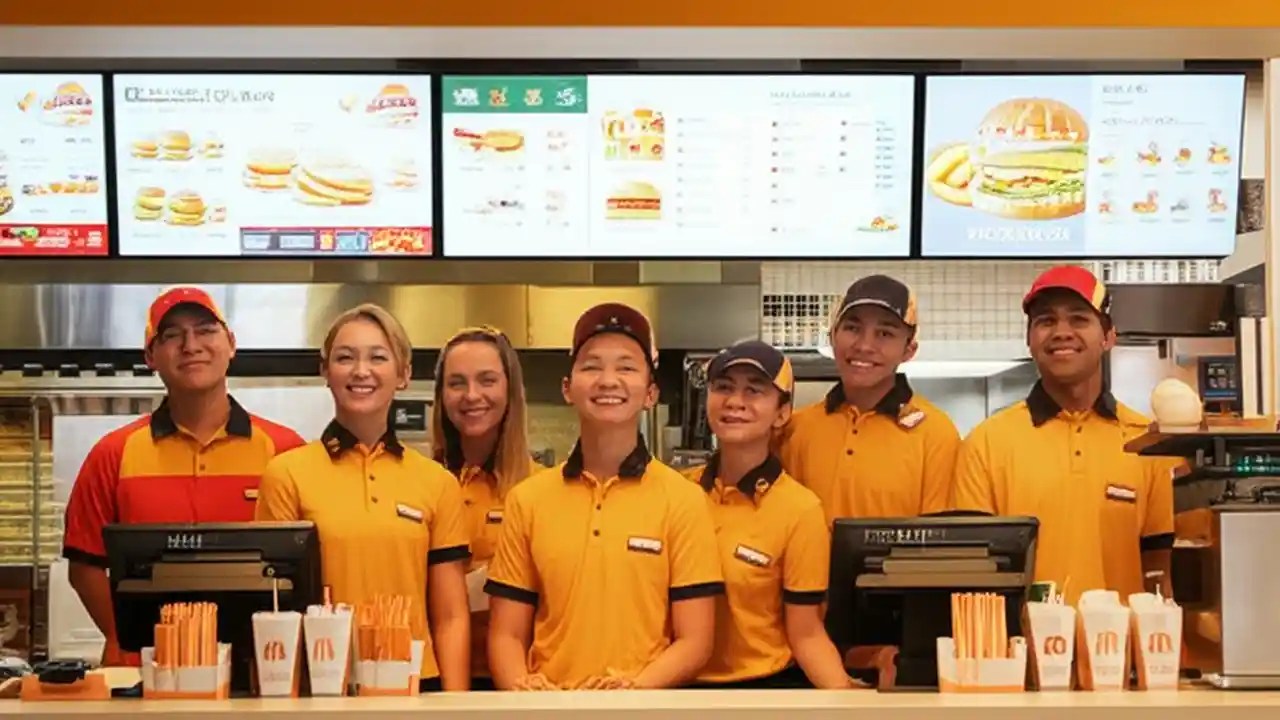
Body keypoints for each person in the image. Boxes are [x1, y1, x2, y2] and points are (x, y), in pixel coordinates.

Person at [485, 303, 723, 691]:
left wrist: (635, 689)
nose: (608, 380)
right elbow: (506, 634)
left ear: (650, 393)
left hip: (644, 711)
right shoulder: (528, 500)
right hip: (548, 711)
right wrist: (520, 686)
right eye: (592, 366)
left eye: (626, 367)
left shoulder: (683, 500)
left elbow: (696, 641)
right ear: (568, 388)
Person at [62, 286, 304, 667]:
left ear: (231, 344)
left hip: (260, 672)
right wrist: (127, 638)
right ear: (150, 357)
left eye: (206, 330)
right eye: (172, 335)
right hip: (143, 676)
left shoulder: (285, 450)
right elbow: (85, 565)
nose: (191, 345)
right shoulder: (112, 454)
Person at [255, 303, 471, 691]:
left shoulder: (436, 482)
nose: (361, 371)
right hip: (320, 687)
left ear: (404, 374)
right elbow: (274, 609)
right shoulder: (286, 474)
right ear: (325, 372)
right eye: (344, 357)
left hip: (415, 686)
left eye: (378, 357)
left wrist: (454, 707)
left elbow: (451, 615)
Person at [950, 266, 1175, 605]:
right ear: (1029, 340)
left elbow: (1159, 570)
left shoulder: (1147, 443)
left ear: (1108, 336)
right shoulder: (986, 443)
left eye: (1079, 319)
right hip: (1021, 654)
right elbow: (973, 578)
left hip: (1123, 652)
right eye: (1046, 321)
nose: (1062, 332)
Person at [685, 340, 853, 689]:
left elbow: (807, 634)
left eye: (754, 391)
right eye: (723, 387)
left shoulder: (799, 511)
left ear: (781, 412)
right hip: (675, 689)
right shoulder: (675, 493)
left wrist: (846, 702)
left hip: (765, 691)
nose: (735, 402)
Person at [778, 275, 960, 523]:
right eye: (853, 328)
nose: (865, 345)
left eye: (884, 333)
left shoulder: (936, 435)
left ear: (909, 350)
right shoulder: (794, 429)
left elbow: (936, 546)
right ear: (832, 336)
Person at [432, 325, 536, 690]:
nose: (471, 395)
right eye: (457, 383)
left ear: (510, 389)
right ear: (441, 395)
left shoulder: (541, 489)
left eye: (487, 380)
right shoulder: (420, 484)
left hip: (522, 680)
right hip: (431, 680)